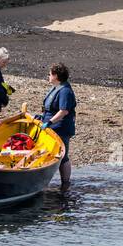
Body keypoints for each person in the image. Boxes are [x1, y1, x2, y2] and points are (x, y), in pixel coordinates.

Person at [40, 62, 77, 190]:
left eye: (49, 74)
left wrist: (49, 122)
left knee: (63, 155)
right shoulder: (56, 88)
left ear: (56, 76)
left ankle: (65, 183)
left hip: (61, 128)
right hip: (51, 128)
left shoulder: (65, 91)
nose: (48, 76)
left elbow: (64, 111)